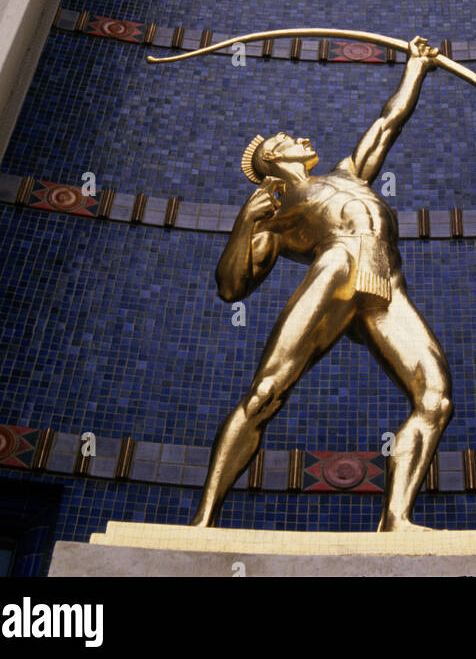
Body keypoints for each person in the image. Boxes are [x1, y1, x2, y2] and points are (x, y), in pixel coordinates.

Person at [191, 36, 453, 531]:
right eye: (284, 138)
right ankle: (204, 519)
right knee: (267, 391)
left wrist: (416, 68)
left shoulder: (350, 174)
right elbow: (231, 288)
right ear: (271, 159)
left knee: (436, 399)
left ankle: (395, 518)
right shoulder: (274, 213)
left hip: (386, 284)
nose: (298, 136)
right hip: (335, 272)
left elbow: (387, 122)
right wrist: (245, 224)